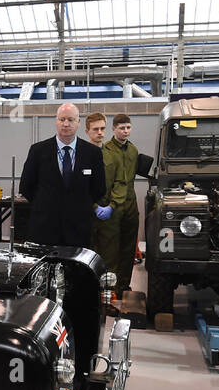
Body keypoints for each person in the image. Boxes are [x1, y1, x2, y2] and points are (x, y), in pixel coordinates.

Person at [19, 102, 107, 248]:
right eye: (62, 119)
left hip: (79, 228)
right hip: (44, 228)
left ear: (78, 123)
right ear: (56, 121)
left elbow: (99, 188)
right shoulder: (38, 151)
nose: (66, 124)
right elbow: (26, 186)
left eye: (71, 120)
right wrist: (46, 204)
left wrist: (80, 205)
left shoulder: (92, 153)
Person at [95, 115, 140, 293]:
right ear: (113, 129)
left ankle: (124, 286)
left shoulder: (133, 151)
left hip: (130, 204)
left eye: (128, 127)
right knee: (110, 250)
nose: (125, 131)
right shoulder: (105, 151)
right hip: (112, 204)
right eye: (122, 128)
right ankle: (109, 290)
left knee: (128, 248)